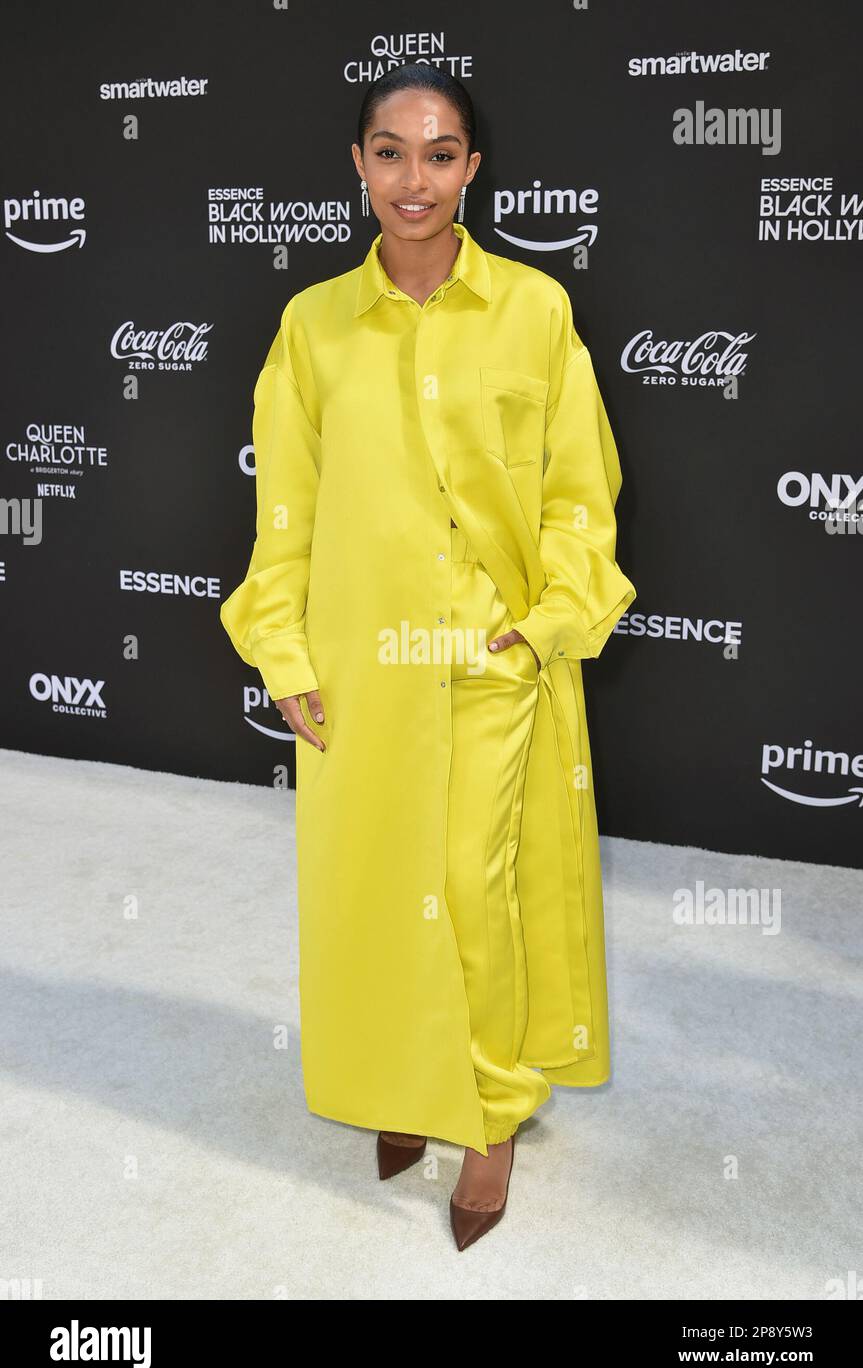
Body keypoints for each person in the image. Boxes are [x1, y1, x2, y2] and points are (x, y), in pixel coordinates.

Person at [220, 63, 636, 1252]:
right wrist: (284, 650)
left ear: (472, 169)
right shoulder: (311, 328)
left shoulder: (533, 310)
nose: (415, 177)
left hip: (491, 661)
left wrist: (547, 618)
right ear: (356, 165)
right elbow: (284, 512)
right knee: (374, 895)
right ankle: (406, 1086)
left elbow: (577, 487)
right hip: (359, 666)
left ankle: (490, 1115)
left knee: (470, 884)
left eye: (440, 152)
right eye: (390, 151)